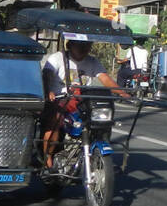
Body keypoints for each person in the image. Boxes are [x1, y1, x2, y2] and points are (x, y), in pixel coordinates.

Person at [40, 34, 126, 164]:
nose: (84, 48)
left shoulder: (93, 62)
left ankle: (94, 152)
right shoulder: (57, 58)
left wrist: (125, 94)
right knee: (54, 122)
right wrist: (48, 91)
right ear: (70, 45)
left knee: (103, 120)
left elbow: (105, 79)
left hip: (83, 103)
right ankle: (48, 159)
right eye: (80, 44)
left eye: (87, 45)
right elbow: (47, 75)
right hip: (60, 101)